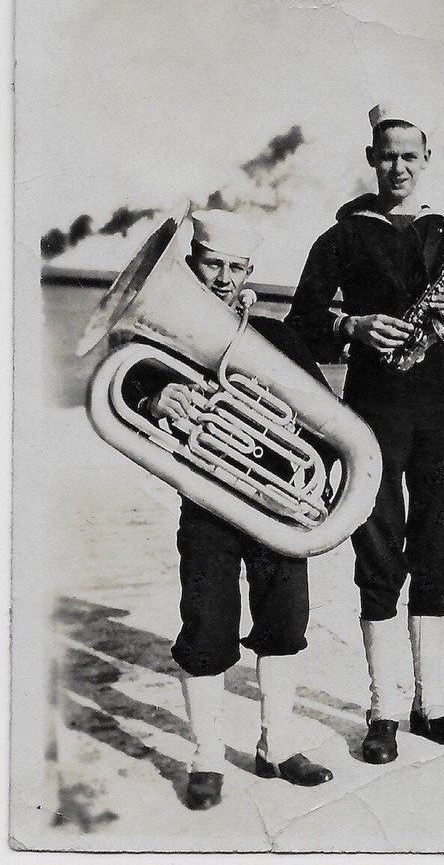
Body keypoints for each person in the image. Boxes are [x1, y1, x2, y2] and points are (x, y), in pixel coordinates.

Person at [285, 103, 444, 765]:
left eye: (411, 155)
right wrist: (350, 327)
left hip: (439, 415)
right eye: (387, 155)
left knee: (437, 558)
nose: (399, 166)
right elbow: (300, 325)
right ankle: (382, 712)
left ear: (428, 160)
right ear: (371, 160)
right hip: (372, 416)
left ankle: (430, 708)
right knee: (379, 561)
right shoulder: (341, 237)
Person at [122, 209, 335, 810]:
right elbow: (131, 383)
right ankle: (207, 756)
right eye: (212, 263)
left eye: (236, 267)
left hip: (274, 507)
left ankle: (277, 745)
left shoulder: (283, 338)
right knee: (207, 628)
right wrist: (155, 393)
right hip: (209, 504)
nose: (223, 276)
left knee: (284, 626)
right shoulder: (164, 339)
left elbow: (324, 421)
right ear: (192, 264)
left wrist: (307, 482)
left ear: (250, 274)